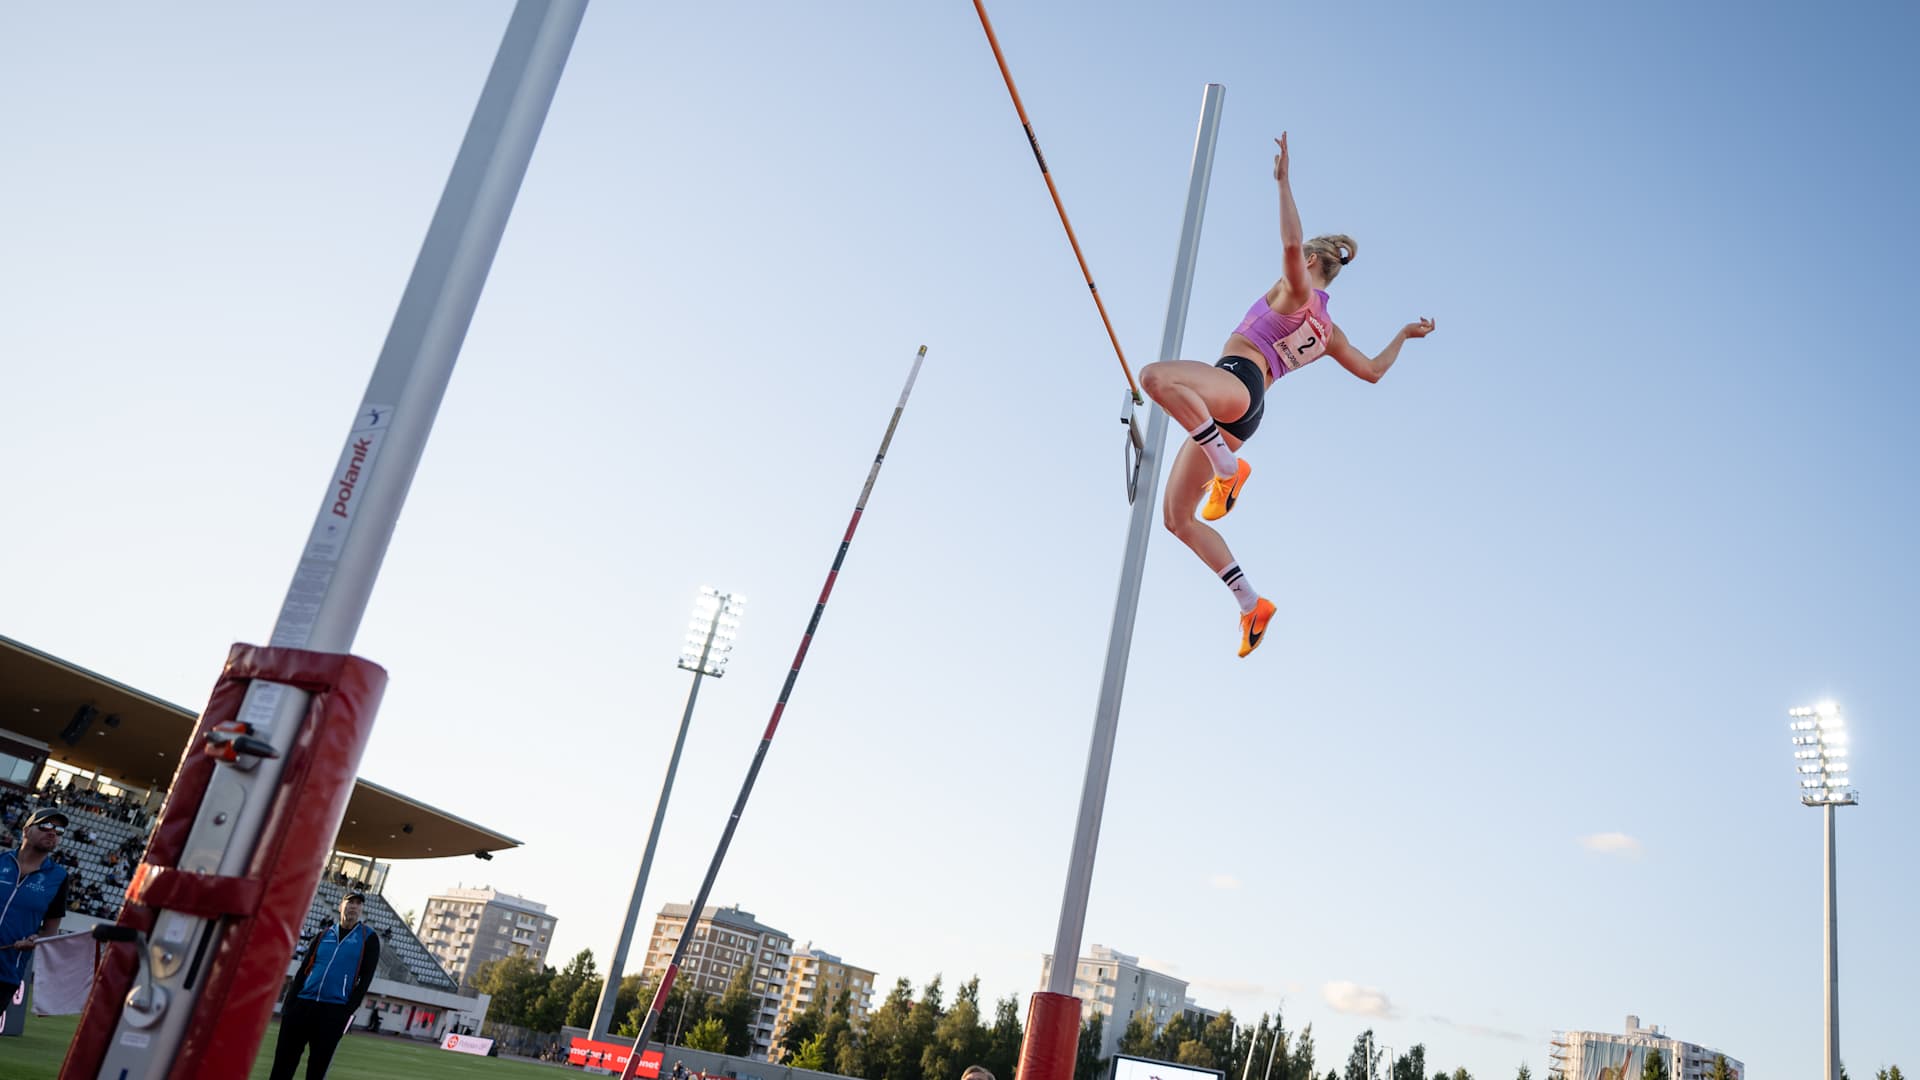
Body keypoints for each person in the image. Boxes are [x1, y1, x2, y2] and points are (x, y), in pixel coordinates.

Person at [1139, 132, 1436, 657]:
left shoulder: (1298, 291)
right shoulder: (1329, 331)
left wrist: (1283, 182)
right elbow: (1370, 373)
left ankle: (1229, 471)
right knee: (1176, 519)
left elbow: (1290, 245)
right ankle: (1251, 604)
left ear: (1313, 263)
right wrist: (1403, 337)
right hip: (1242, 414)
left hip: (1235, 382)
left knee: (1156, 379)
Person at [269, 891, 382, 1080]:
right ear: (341, 906)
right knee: (282, 1064)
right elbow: (303, 971)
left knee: (317, 1069)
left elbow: (366, 978)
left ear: (362, 909)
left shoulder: (368, 938)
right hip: (302, 1005)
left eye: (357, 903)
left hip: (333, 1010)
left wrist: (346, 1011)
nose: (353, 906)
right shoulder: (324, 935)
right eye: (349, 902)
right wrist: (290, 1004)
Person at [0, 807, 72, 1006]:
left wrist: (36, 940)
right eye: (46, 825)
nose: (52, 832)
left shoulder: (59, 877)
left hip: (6, 974)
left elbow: (50, 932)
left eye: (59, 831)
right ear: (26, 830)